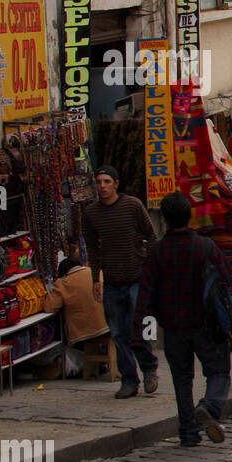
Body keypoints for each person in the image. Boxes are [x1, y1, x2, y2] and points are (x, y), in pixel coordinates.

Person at [135, 192, 232, 447]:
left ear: (165, 219)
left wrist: (141, 332)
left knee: (181, 378)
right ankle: (210, 406)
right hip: (205, 324)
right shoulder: (205, 246)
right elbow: (227, 276)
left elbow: (145, 294)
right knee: (219, 370)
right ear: (189, 215)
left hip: (173, 326)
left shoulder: (157, 252)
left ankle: (188, 432)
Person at [83, 165, 158, 399]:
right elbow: (92, 249)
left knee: (138, 327)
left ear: (116, 184)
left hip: (136, 277)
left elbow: (151, 235)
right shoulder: (91, 213)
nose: (102, 186)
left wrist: (150, 268)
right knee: (117, 332)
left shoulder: (132, 205)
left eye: (106, 181)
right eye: (98, 182)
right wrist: (96, 278)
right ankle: (129, 379)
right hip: (112, 281)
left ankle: (149, 368)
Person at [43, 258, 108, 346]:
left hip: (83, 334)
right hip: (109, 325)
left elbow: (49, 307)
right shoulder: (96, 273)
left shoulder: (63, 282)